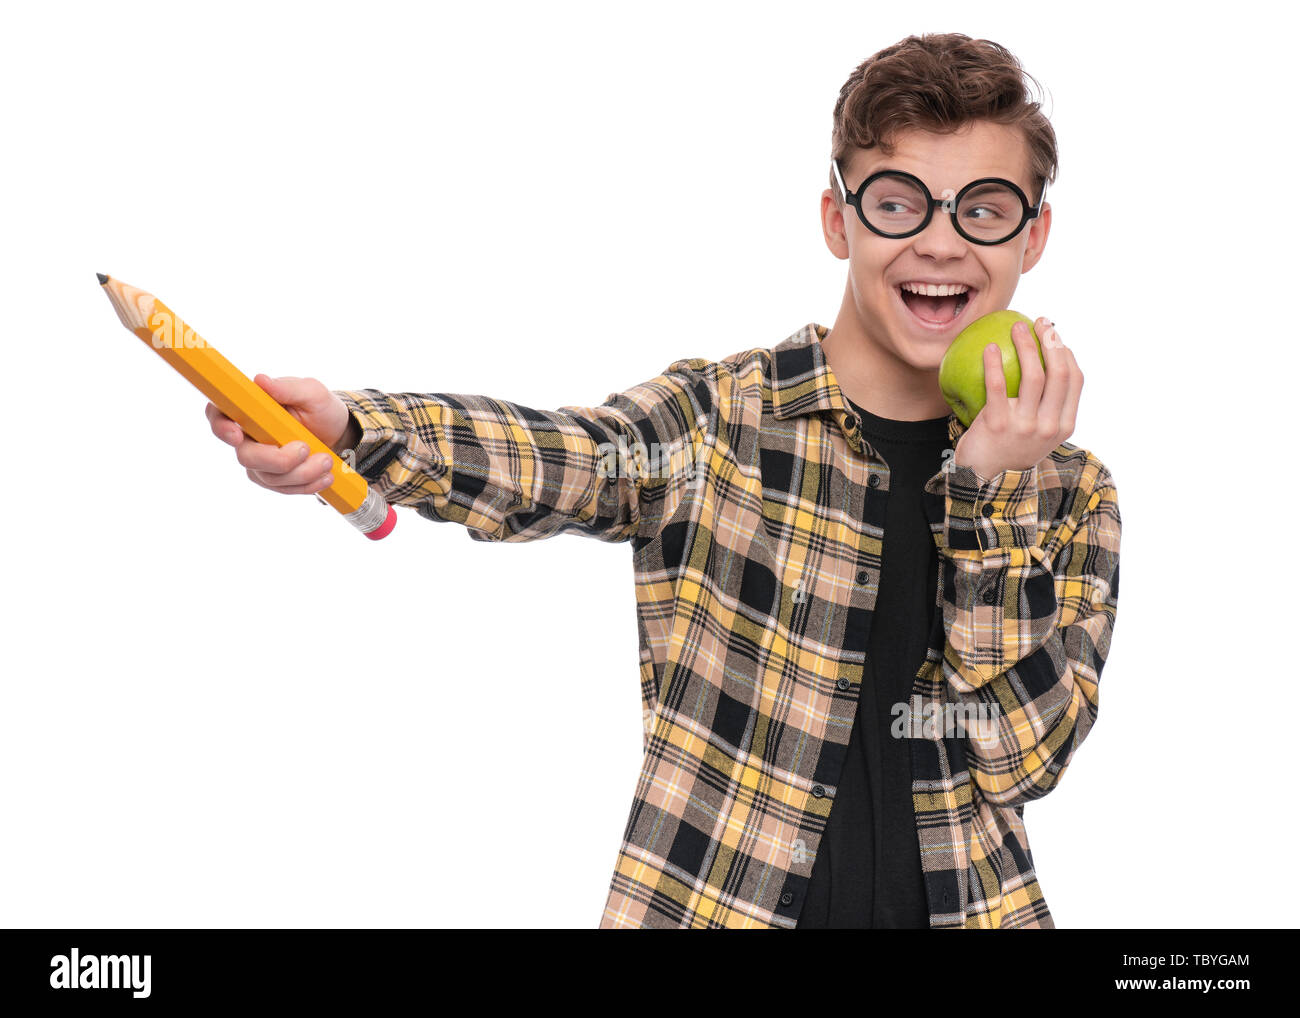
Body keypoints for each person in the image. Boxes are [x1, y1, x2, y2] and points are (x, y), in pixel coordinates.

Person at [205, 32, 1121, 929]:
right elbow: (559, 454)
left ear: (1032, 236)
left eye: (985, 209)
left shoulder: (1070, 492)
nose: (941, 242)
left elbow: (1021, 759)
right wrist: (361, 429)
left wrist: (989, 493)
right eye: (897, 203)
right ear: (839, 219)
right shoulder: (718, 422)